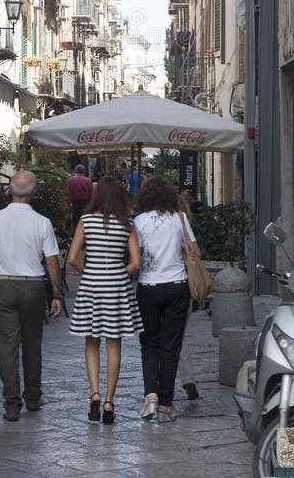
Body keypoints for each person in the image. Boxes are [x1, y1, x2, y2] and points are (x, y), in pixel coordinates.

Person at [0, 169, 62, 422]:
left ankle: (12, 405)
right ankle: (33, 397)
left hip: (3, 285)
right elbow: (52, 262)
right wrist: (56, 294)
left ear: (10, 190)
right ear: (34, 193)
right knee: (32, 344)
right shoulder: (42, 222)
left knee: (7, 346)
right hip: (33, 286)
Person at [68, 176, 142, 424]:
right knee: (114, 345)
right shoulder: (127, 223)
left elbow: (72, 258)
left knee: (91, 342)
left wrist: (85, 270)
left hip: (91, 285)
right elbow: (136, 263)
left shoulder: (85, 221)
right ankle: (110, 402)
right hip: (117, 288)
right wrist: (122, 272)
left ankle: (95, 395)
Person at [134, 176, 197, 421]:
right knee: (171, 346)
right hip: (177, 286)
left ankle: (150, 395)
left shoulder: (138, 221)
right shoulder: (179, 219)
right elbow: (195, 251)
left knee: (149, 342)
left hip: (148, 287)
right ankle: (166, 403)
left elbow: (134, 255)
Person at [177, 189, 201, 401]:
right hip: (184, 285)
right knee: (179, 335)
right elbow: (197, 253)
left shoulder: (148, 221)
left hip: (156, 285)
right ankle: (188, 379)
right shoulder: (182, 221)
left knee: (158, 337)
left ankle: (157, 384)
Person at [65, 164, 94, 231]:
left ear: (76, 171)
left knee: (75, 221)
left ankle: (75, 235)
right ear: (84, 171)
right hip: (85, 203)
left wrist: (68, 204)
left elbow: (68, 193)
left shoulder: (71, 180)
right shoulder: (88, 180)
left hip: (75, 203)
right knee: (85, 220)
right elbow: (91, 194)